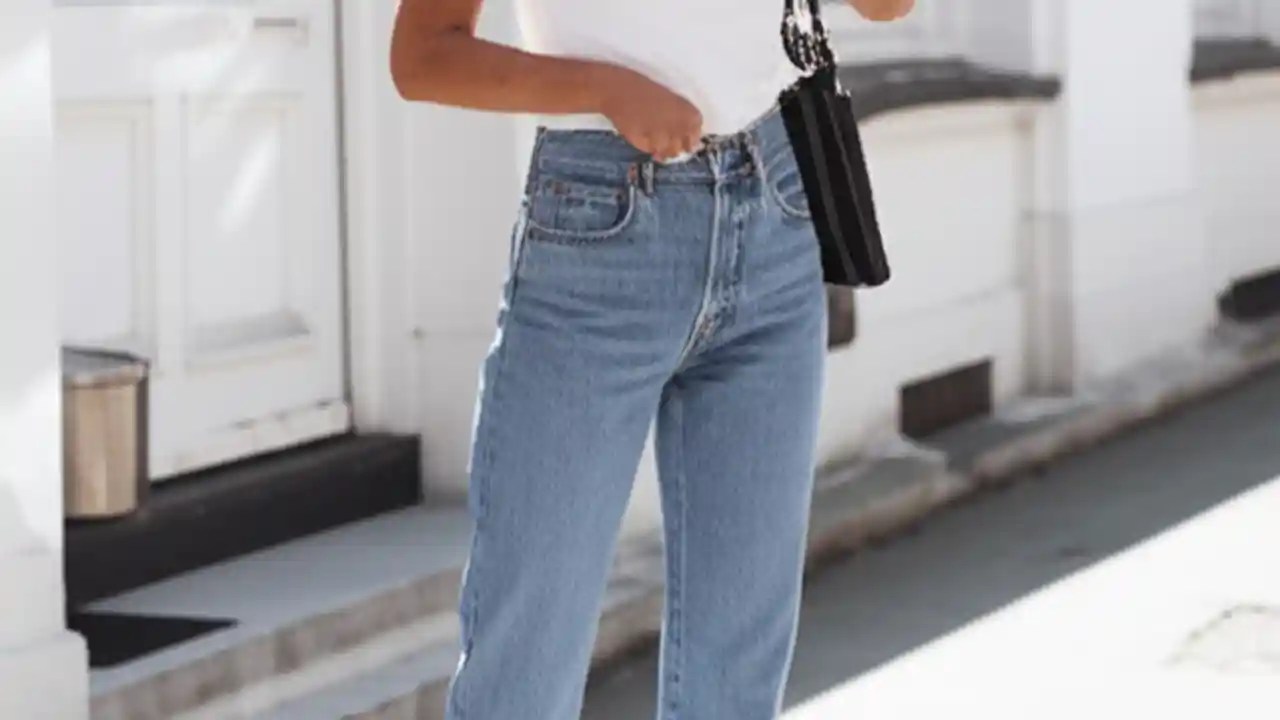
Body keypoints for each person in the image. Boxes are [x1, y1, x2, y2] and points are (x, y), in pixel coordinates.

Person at [390, 1, 915, 717]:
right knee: (525, 661)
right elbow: (424, 57)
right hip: (601, 236)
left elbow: (889, 7)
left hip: (776, 209)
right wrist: (604, 87)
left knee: (734, 674)